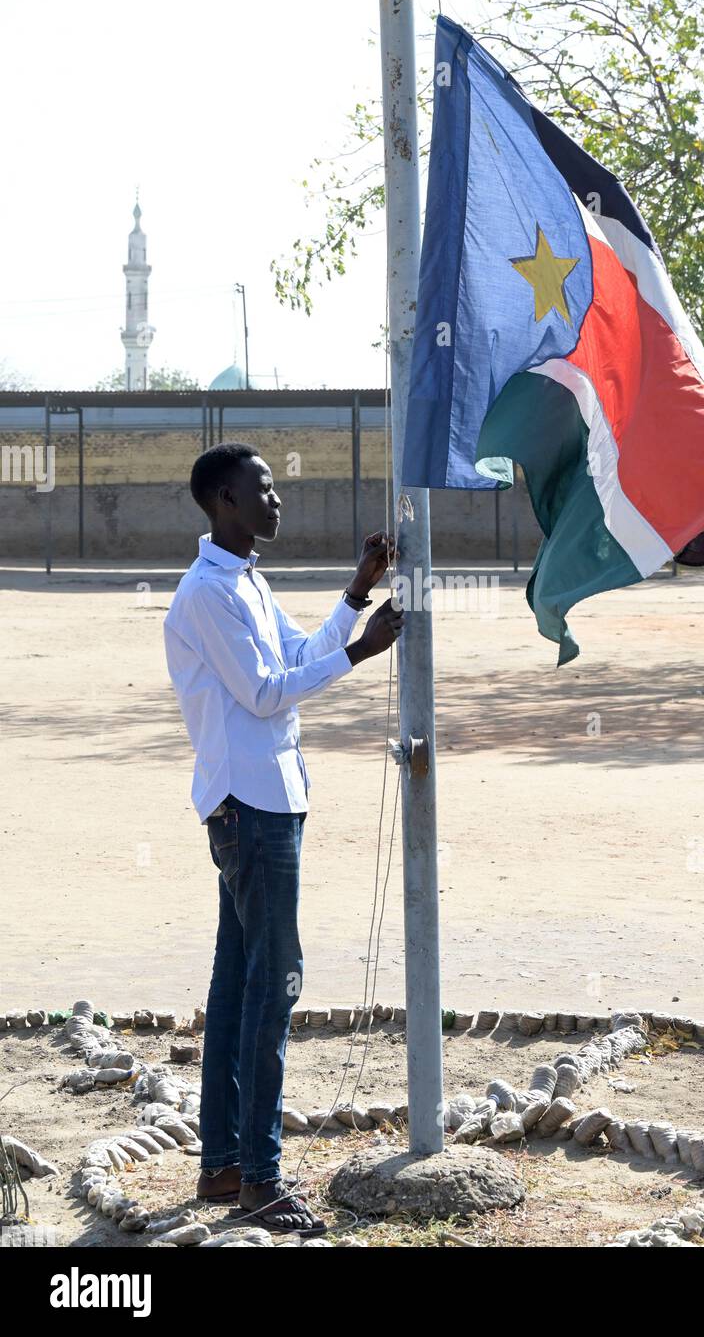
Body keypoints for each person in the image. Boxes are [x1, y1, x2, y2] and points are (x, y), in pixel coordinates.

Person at [163, 441, 404, 1232]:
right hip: (250, 810)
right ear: (223, 501)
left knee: (238, 988)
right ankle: (260, 1177)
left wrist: (356, 593)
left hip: (266, 805)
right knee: (273, 988)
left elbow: (299, 654)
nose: (277, 500)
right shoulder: (206, 593)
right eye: (262, 490)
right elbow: (267, 696)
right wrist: (363, 655)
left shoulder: (245, 582)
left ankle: (224, 1165)